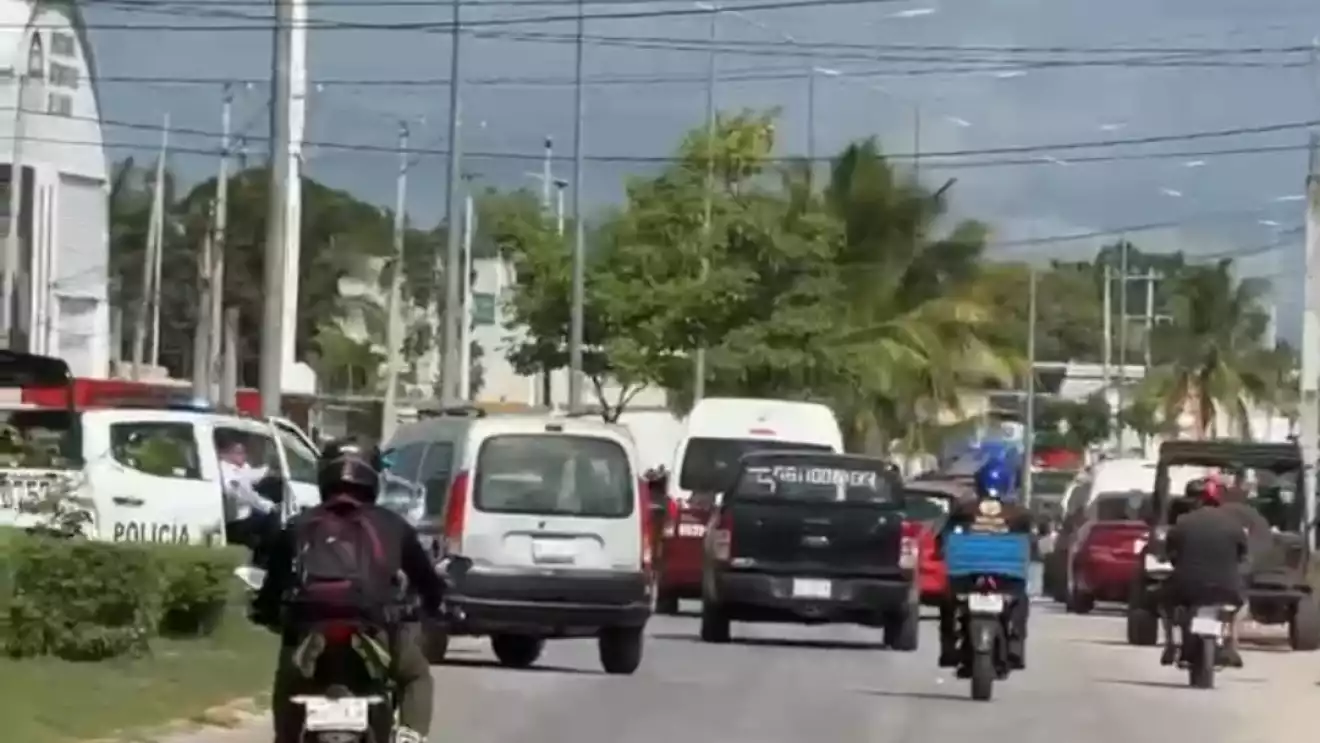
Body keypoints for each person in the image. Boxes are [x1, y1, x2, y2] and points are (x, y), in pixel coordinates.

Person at [251, 438, 445, 743]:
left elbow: (272, 586)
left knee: (288, 682)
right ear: (373, 477)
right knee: (415, 675)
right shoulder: (392, 524)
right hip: (374, 627)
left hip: (310, 630)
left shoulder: (299, 524)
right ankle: (409, 736)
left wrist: (264, 610)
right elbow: (427, 580)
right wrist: (436, 605)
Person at [937, 459, 1034, 672]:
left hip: (965, 575)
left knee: (948, 604)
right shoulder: (1018, 514)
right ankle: (1016, 646)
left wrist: (941, 550)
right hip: (1008, 577)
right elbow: (1030, 541)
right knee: (1020, 602)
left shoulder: (964, 510)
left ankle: (949, 647)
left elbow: (943, 536)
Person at [1160, 477, 1248, 668]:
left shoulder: (1182, 522)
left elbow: (1170, 554)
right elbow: (1242, 555)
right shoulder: (1234, 524)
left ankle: (1171, 644)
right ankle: (1232, 644)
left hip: (1188, 587)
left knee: (1164, 602)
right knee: (1242, 606)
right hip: (1227, 587)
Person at [218, 434, 279, 557]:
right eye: (238, 452)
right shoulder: (224, 470)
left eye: (243, 452)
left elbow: (251, 475)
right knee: (272, 522)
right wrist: (268, 506)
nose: (243, 455)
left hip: (247, 513)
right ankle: (262, 558)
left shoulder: (242, 466)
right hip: (235, 520)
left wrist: (269, 470)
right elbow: (244, 494)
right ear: (225, 454)